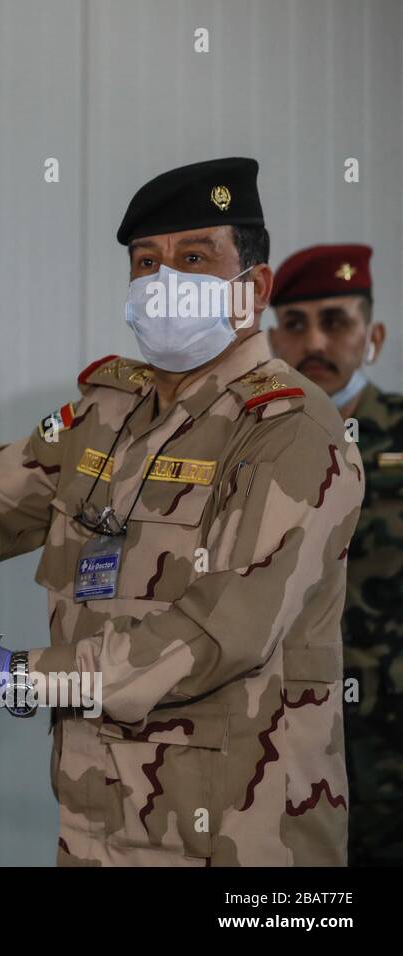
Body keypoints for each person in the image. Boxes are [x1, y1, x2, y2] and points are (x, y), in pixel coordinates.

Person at [0, 158, 363, 866]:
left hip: (238, 835)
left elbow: (222, 632)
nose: (165, 283)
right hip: (101, 827)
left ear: (255, 287)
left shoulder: (288, 427)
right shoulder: (107, 414)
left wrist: (23, 678)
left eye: (194, 258)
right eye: (147, 263)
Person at [268, 243, 403, 865]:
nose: (314, 341)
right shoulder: (250, 447)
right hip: (277, 751)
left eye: (336, 321)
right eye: (295, 324)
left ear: (371, 338)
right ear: (272, 342)